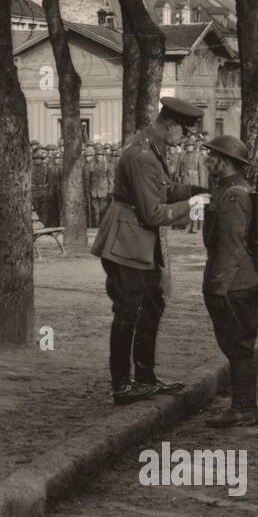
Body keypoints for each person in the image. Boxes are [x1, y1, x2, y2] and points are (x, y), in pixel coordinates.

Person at [90, 97, 207, 405]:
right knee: (127, 311)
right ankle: (121, 385)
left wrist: (195, 191)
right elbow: (152, 212)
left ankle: (144, 376)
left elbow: (163, 189)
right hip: (126, 242)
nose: (184, 139)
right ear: (170, 125)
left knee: (153, 305)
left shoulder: (152, 148)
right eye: (183, 132)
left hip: (140, 242)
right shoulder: (142, 155)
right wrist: (194, 206)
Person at [201, 134, 258, 427]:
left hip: (235, 283)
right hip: (244, 280)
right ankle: (245, 405)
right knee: (239, 344)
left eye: (212, 156)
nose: (208, 160)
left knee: (238, 345)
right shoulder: (232, 189)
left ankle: (243, 407)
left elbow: (230, 246)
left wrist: (218, 286)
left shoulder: (233, 195)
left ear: (225, 161)